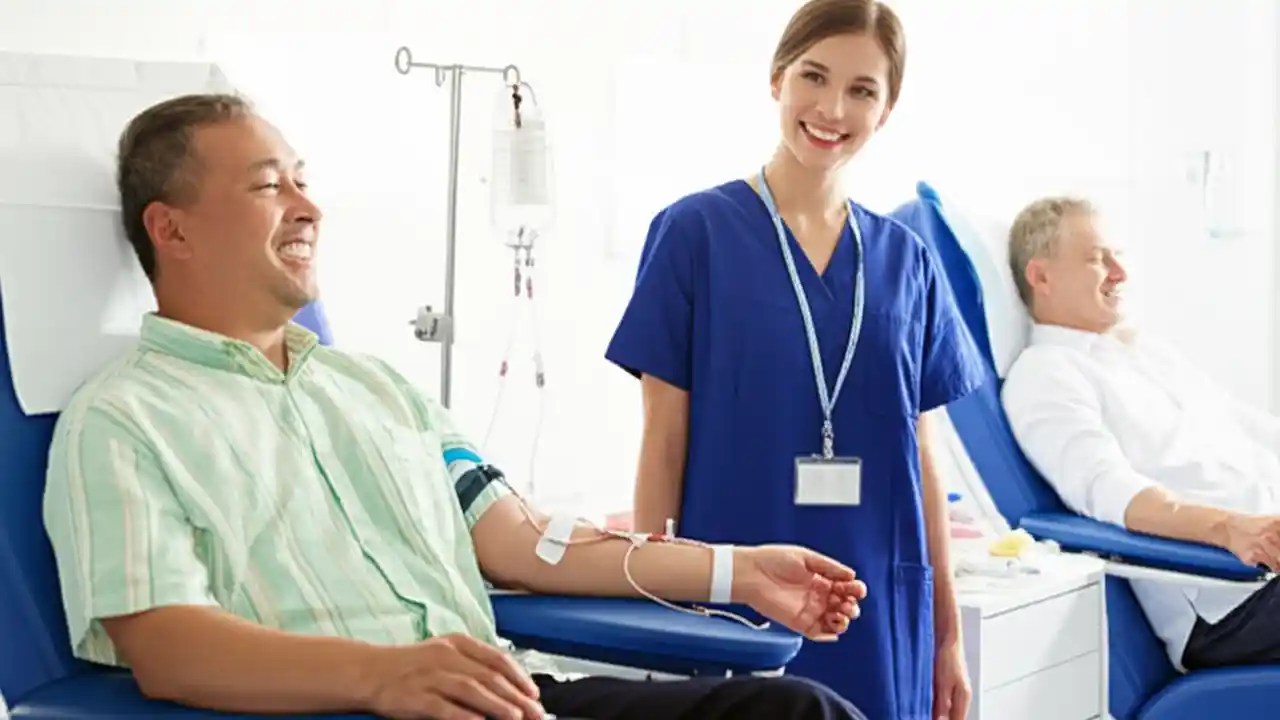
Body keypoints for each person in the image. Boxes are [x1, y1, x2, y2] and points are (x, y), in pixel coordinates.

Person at [40, 93, 872, 720]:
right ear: (171, 231)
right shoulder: (122, 422)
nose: (308, 206)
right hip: (345, 710)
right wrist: (379, 674)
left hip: (501, 699)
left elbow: (523, 542)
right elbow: (168, 648)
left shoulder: (376, 390)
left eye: (303, 180)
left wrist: (736, 571)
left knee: (798, 712)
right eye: (269, 185)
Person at [603, 1, 987, 717]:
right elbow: (662, 443)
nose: (832, 107)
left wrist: (946, 636)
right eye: (814, 76)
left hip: (880, 606)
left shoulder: (909, 262)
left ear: (888, 107)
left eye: (862, 89)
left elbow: (923, 460)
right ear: (777, 79)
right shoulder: (695, 235)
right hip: (733, 605)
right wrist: (652, 623)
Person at [1001, 195, 1280, 672]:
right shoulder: (1045, 375)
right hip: (1232, 600)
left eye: (1117, 256)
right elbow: (1111, 492)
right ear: (1041, 276)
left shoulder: (1142, 352)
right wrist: (1231, 527)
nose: (1119, 273)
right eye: (1096, 259)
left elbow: (1247, 425)